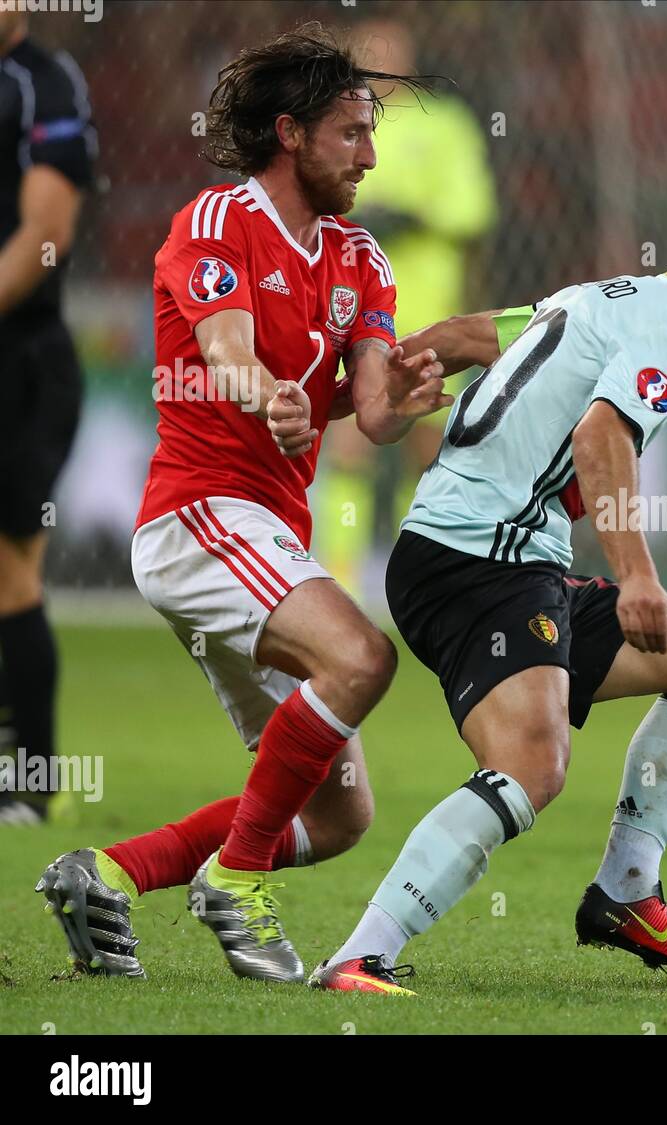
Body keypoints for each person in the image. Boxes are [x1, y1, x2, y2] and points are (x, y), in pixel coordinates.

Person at [311, 186, 667, 994]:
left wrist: (360, 395)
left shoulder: (603, 297)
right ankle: (358, 954)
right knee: (534, 763)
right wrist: (638, 577)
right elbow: (599, 436)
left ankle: (627, 891)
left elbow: (469, 335)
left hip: (505, 558)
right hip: (476, 558)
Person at [36, 24, 451, 984]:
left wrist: (407, 397)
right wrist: (270, 393)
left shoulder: (360, 259)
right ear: (290, 133)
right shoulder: (218, 222)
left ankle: (103, 873)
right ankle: (236, 879)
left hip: (267, 534)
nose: (371, 154)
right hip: (199, 517)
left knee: (338, 811)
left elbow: (375, 405)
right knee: (362, 656)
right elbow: (224, 351)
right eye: (352, 132)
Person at [0, 10, 95, 825]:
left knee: (9, 568)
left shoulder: (43, 82)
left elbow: (47, 232)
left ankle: (27, 781)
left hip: (19, 366)